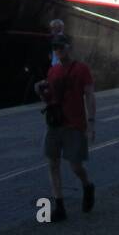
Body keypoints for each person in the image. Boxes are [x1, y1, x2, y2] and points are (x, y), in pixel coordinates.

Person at [36, 36, 95, 222]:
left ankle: (87, 185)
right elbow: (50, 98)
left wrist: (91, 122)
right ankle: (59, 206)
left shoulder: (82, 69)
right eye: (55, 47)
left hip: (74, 123)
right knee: (53, 164)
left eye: (60, 47)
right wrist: (40, 92)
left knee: (75, 165)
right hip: (54, 123)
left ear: (68, 48)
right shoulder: (52, 71)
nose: (58, 50)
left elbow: (89, 96)